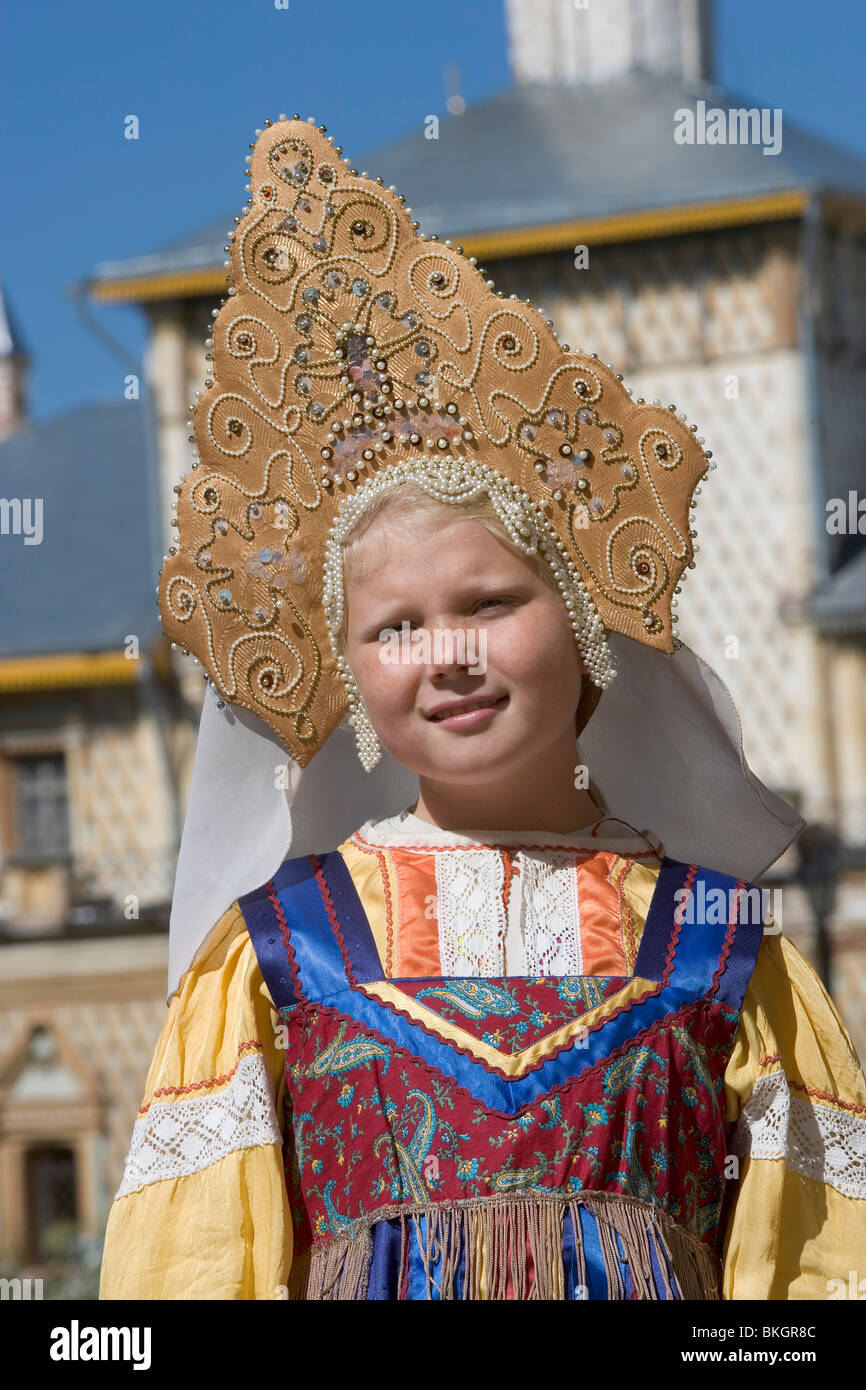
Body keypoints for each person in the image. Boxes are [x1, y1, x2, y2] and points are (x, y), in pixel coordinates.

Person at [99, 115, 866, 1300]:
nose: (446, 656)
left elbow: (812, 1277)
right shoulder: (275, 959)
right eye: (394, 628)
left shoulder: (718, 947)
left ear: (582, 626)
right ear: (350, 672)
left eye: (489, 603)